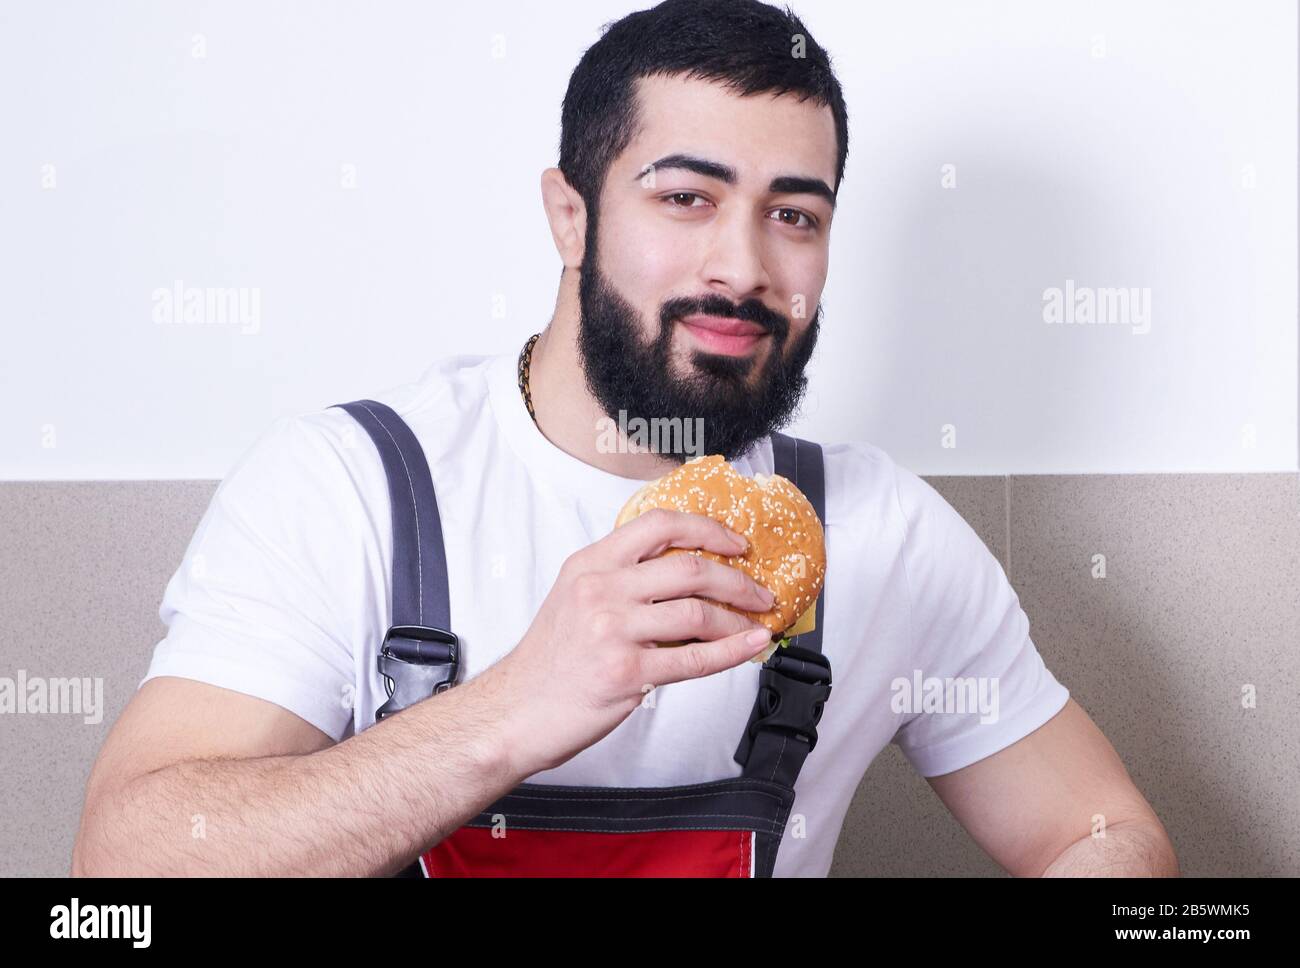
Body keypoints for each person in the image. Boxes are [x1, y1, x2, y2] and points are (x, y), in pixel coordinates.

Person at [73, 0, 1177, 877]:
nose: (742, 267)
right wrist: (511, 707)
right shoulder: (348, 488)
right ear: (569, 213)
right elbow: (127, 863)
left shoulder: (880, 532)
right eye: (686, 197)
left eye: (793, 213)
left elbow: (1100, 834)